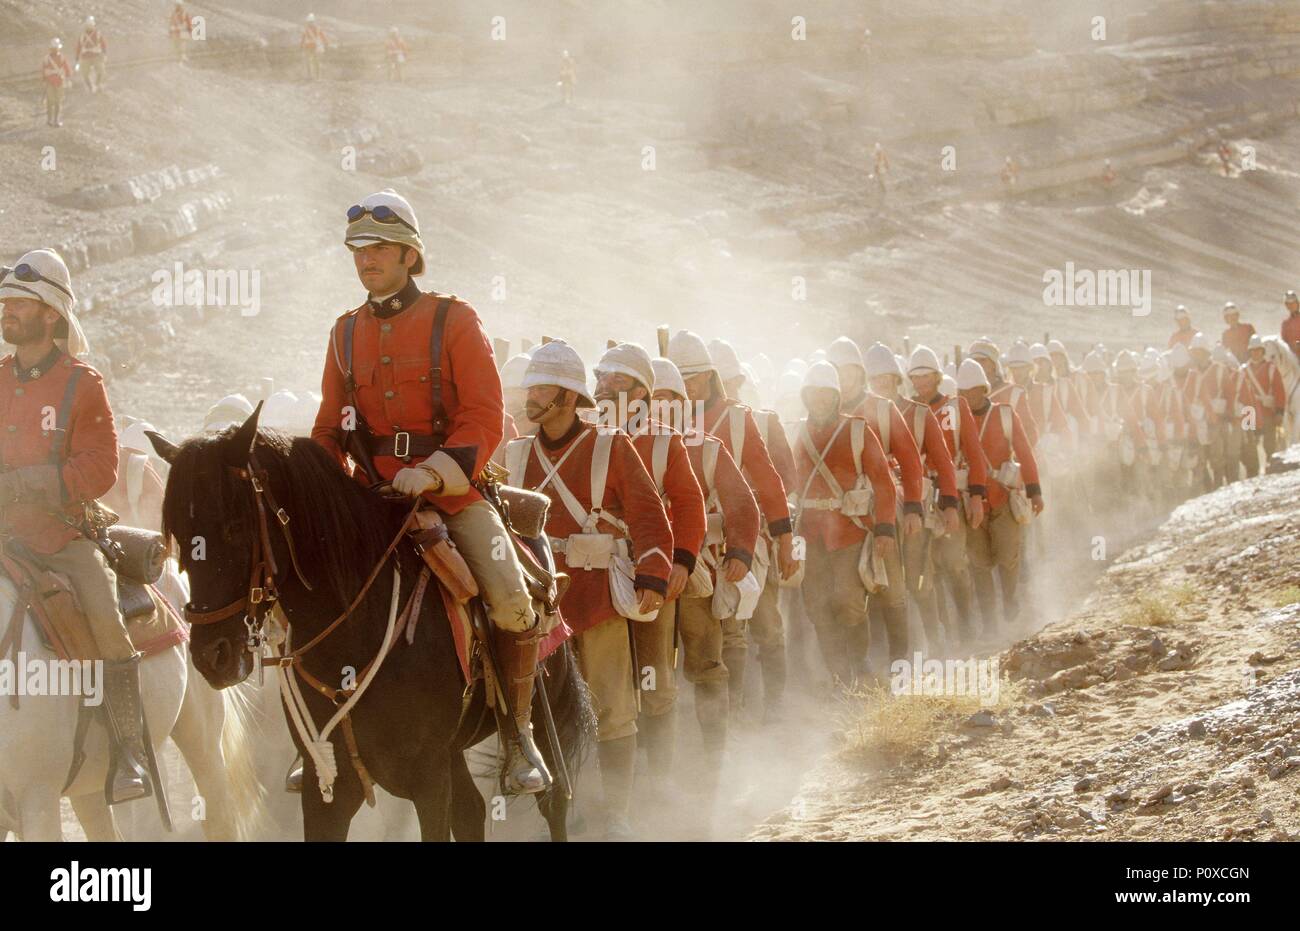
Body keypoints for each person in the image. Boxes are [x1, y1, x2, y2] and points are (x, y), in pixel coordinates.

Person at [310, 190, 550, 795]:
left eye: (380, 248)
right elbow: (327, 426)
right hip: (368, 501)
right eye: (358, 249)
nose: (366, 259)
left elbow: (485, 416)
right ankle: (317, 735)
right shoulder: (343, 334)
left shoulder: (455, 319)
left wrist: (438, 470)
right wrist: (317, 485)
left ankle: (519, 735)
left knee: (508, 593)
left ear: (410, 254)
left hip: (450, 497)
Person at [0, 250, 154, 804]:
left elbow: (102, 467)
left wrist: (34, 482)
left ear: (50, 314)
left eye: (21, 303)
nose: (8, 312)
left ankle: (127, 751)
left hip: (60, 539)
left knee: (106, 617)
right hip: (0, 537)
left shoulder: (80, 384)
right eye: (6, 304)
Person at [503, 342, 672, 839]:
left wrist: (654, 575)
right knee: (542, 712)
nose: (530, 396)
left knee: (615, 711)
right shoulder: (513, 455)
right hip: (536, 608)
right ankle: (560, 812)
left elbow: (648, 516)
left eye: (540, 388)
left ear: (566, 395)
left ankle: (615, 814)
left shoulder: (612, 446)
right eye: (529, 386)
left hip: (596, 599)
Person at [592, 343, 705, 796]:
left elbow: (689, 503)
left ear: (641, 391)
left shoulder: (662, 439)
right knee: (598, 684)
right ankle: (604, 784)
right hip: (596, 572)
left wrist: (681, 560)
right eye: (601, 377)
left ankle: (659, 780)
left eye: (616, 380)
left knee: (654, 678)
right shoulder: (585, 435)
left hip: (650, 569)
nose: (604, 386)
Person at [789, 361, 897, 686]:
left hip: (849, 531)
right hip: (809, 534)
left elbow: (883, 483)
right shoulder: (797, 432)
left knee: (848, 601)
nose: (819, 401)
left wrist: (885, 528)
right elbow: (783, 481)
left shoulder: (858, 430)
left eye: (825, 394)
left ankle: (859, 665)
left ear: (836, 397)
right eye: (813, 395)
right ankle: (838, 673)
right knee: (817, 606)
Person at [956, 359, 1042, 630]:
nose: (969, 397)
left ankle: (1010, 599)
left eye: (974, 391)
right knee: (979, 563)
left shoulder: (1004, 414)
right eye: (964, 393)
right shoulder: (955, 420)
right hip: (972, 500)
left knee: (1008, 555)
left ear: (984, 388)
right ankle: (990, 619)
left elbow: (1025, 452)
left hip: (1003, 495)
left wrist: (1034, 490)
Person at [1236, 334, 1285, 476]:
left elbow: (1279, 391)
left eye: (1258, 350)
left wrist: (1279, 411)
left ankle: (1271, 471)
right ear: (1249, 351)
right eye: (1253, 350)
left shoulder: (1271, 368)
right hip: (1249, 412)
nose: (1255, 353)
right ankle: (1252, 473)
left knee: (1270, 444)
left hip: (1267, 411)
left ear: (1262, 351)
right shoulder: (1243, 370)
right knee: (1249, 446)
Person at [42, 39, 72, 128]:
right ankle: (50, 120)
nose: (55, 50)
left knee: (58, 102)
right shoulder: (46, 59)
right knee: (51, 102)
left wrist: (68, 79)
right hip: (51, 82)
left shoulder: (62, 58)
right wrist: (44, 81)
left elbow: (67, 69)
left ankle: (55, 120)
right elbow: (44, 71)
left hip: (59, 82)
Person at [75, 17, 108, 94]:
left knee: (101, 71)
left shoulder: (98, 34)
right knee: (85, 74)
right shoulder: (82, 36)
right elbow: (78, 47)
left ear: (93, 26)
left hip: (96, 56)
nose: (89, 27)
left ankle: (97, 85)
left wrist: (105, 54)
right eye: (88, 25)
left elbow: (103, 44)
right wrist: (77, 58)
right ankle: (90, 87)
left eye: (91, 25)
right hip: (85, 57)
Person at [1280, 291, 1300, 356]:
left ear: (1298, 303)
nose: (1291, 306)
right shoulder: (1285, 324)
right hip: (1292, 358)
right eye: (1288, 304)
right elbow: (1283, 343)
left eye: (1293, 303)